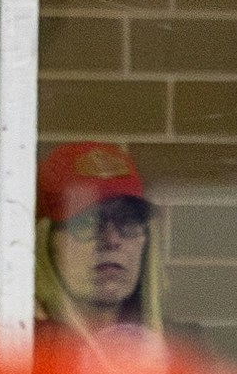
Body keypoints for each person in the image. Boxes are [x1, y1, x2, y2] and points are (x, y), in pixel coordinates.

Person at [30, 137, 187, 358]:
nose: (111, 240)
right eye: (86, 223)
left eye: (128, 221)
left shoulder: (183, 353)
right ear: (45, 242)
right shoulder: (14, 346)